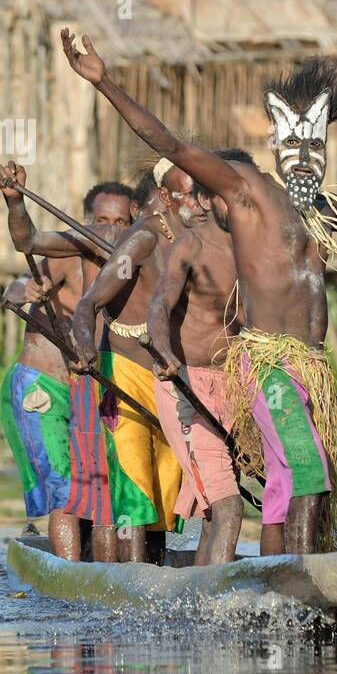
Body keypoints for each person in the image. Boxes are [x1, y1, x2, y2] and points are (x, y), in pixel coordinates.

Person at [62, 30, 337, 555]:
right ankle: (300, 580)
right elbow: (171, 145)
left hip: (309, 365)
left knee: (289, 486)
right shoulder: (246, 194)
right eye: (293, 144)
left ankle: (281, 579)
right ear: (272, 146)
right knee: (308, 473)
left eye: (314, 144)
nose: (305, 157)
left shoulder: (332, 215)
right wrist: (106, 82)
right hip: (268, 363)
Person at [66, 162, 203, 565]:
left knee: (162, 493)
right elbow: (90, 302)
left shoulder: (196, 242)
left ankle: (154, 577)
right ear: (164, 196)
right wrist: (86, 346)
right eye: (187, 194)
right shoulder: (142, 240)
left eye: (200, 195)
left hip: (172, 380)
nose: (197, 203)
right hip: (124, 375)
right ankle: (126, 586)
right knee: (132, 489)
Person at [0, 178, 134, 561]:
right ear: (88, 219)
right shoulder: (67, 255)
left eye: (120, 222)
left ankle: (96, 567)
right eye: (102, 219)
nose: (109, 229)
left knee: (100, 484)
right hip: (42, 387)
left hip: (91, 391)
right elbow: (20, 281)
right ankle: (70, 577)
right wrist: (21, 291)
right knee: (66, 491)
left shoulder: (133, 266)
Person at [147, 161, 255, 565]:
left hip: (238, 385)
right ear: (210, 200)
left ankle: (202, 592)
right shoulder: (190, 244)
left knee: (216, 510)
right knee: (228, 506)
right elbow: (159, 304)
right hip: (189, 386)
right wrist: (164, 352)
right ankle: (220, 610)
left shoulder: (252, 244)